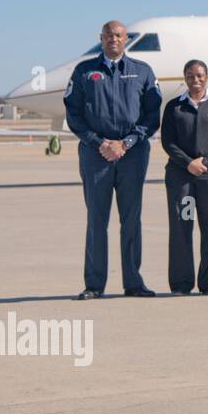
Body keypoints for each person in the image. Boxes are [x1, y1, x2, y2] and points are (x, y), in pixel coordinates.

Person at [64, 20, 162, 299]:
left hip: (132, 155)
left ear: (125, 39)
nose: (113, 40)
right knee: (97, 219)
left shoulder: (142, 72)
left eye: (118, 35)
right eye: (108, 36)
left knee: (131, 219)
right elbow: (74, 115)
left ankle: (133, 283)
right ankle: (94, 285)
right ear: (101, 39)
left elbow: (152, 115)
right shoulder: (84, 72)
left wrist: (128, 142)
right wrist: (100, 142)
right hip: (96, 156)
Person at [160, 59, 208, 295]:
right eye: (191, 76)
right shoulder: (174, 106)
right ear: (185, 77)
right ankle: (181, 284)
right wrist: (188, 163)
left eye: (200, 75)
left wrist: (206, 161)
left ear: (207, 77)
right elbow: (168, 141)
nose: (196, 80)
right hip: (181, 179)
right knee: (182, 226)